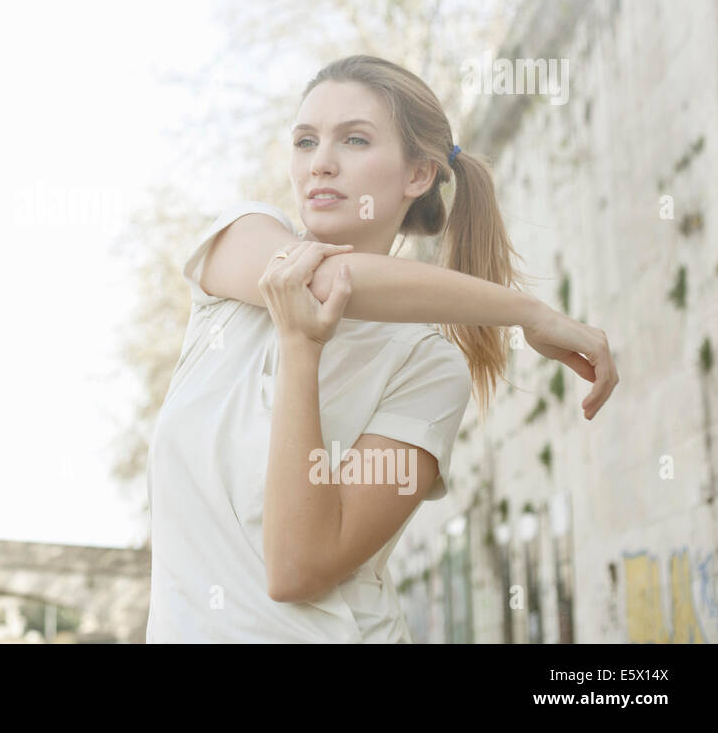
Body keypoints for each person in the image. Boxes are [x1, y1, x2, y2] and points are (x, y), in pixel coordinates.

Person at [145, 54, 617, 643]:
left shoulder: (428, 367)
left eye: (355, 140)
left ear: (417, 175)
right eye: (305, 141)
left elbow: (297, 568)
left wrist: (301, 350)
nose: (321, 163)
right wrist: (525, 311)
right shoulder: (241, 246)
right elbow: (323, 281)